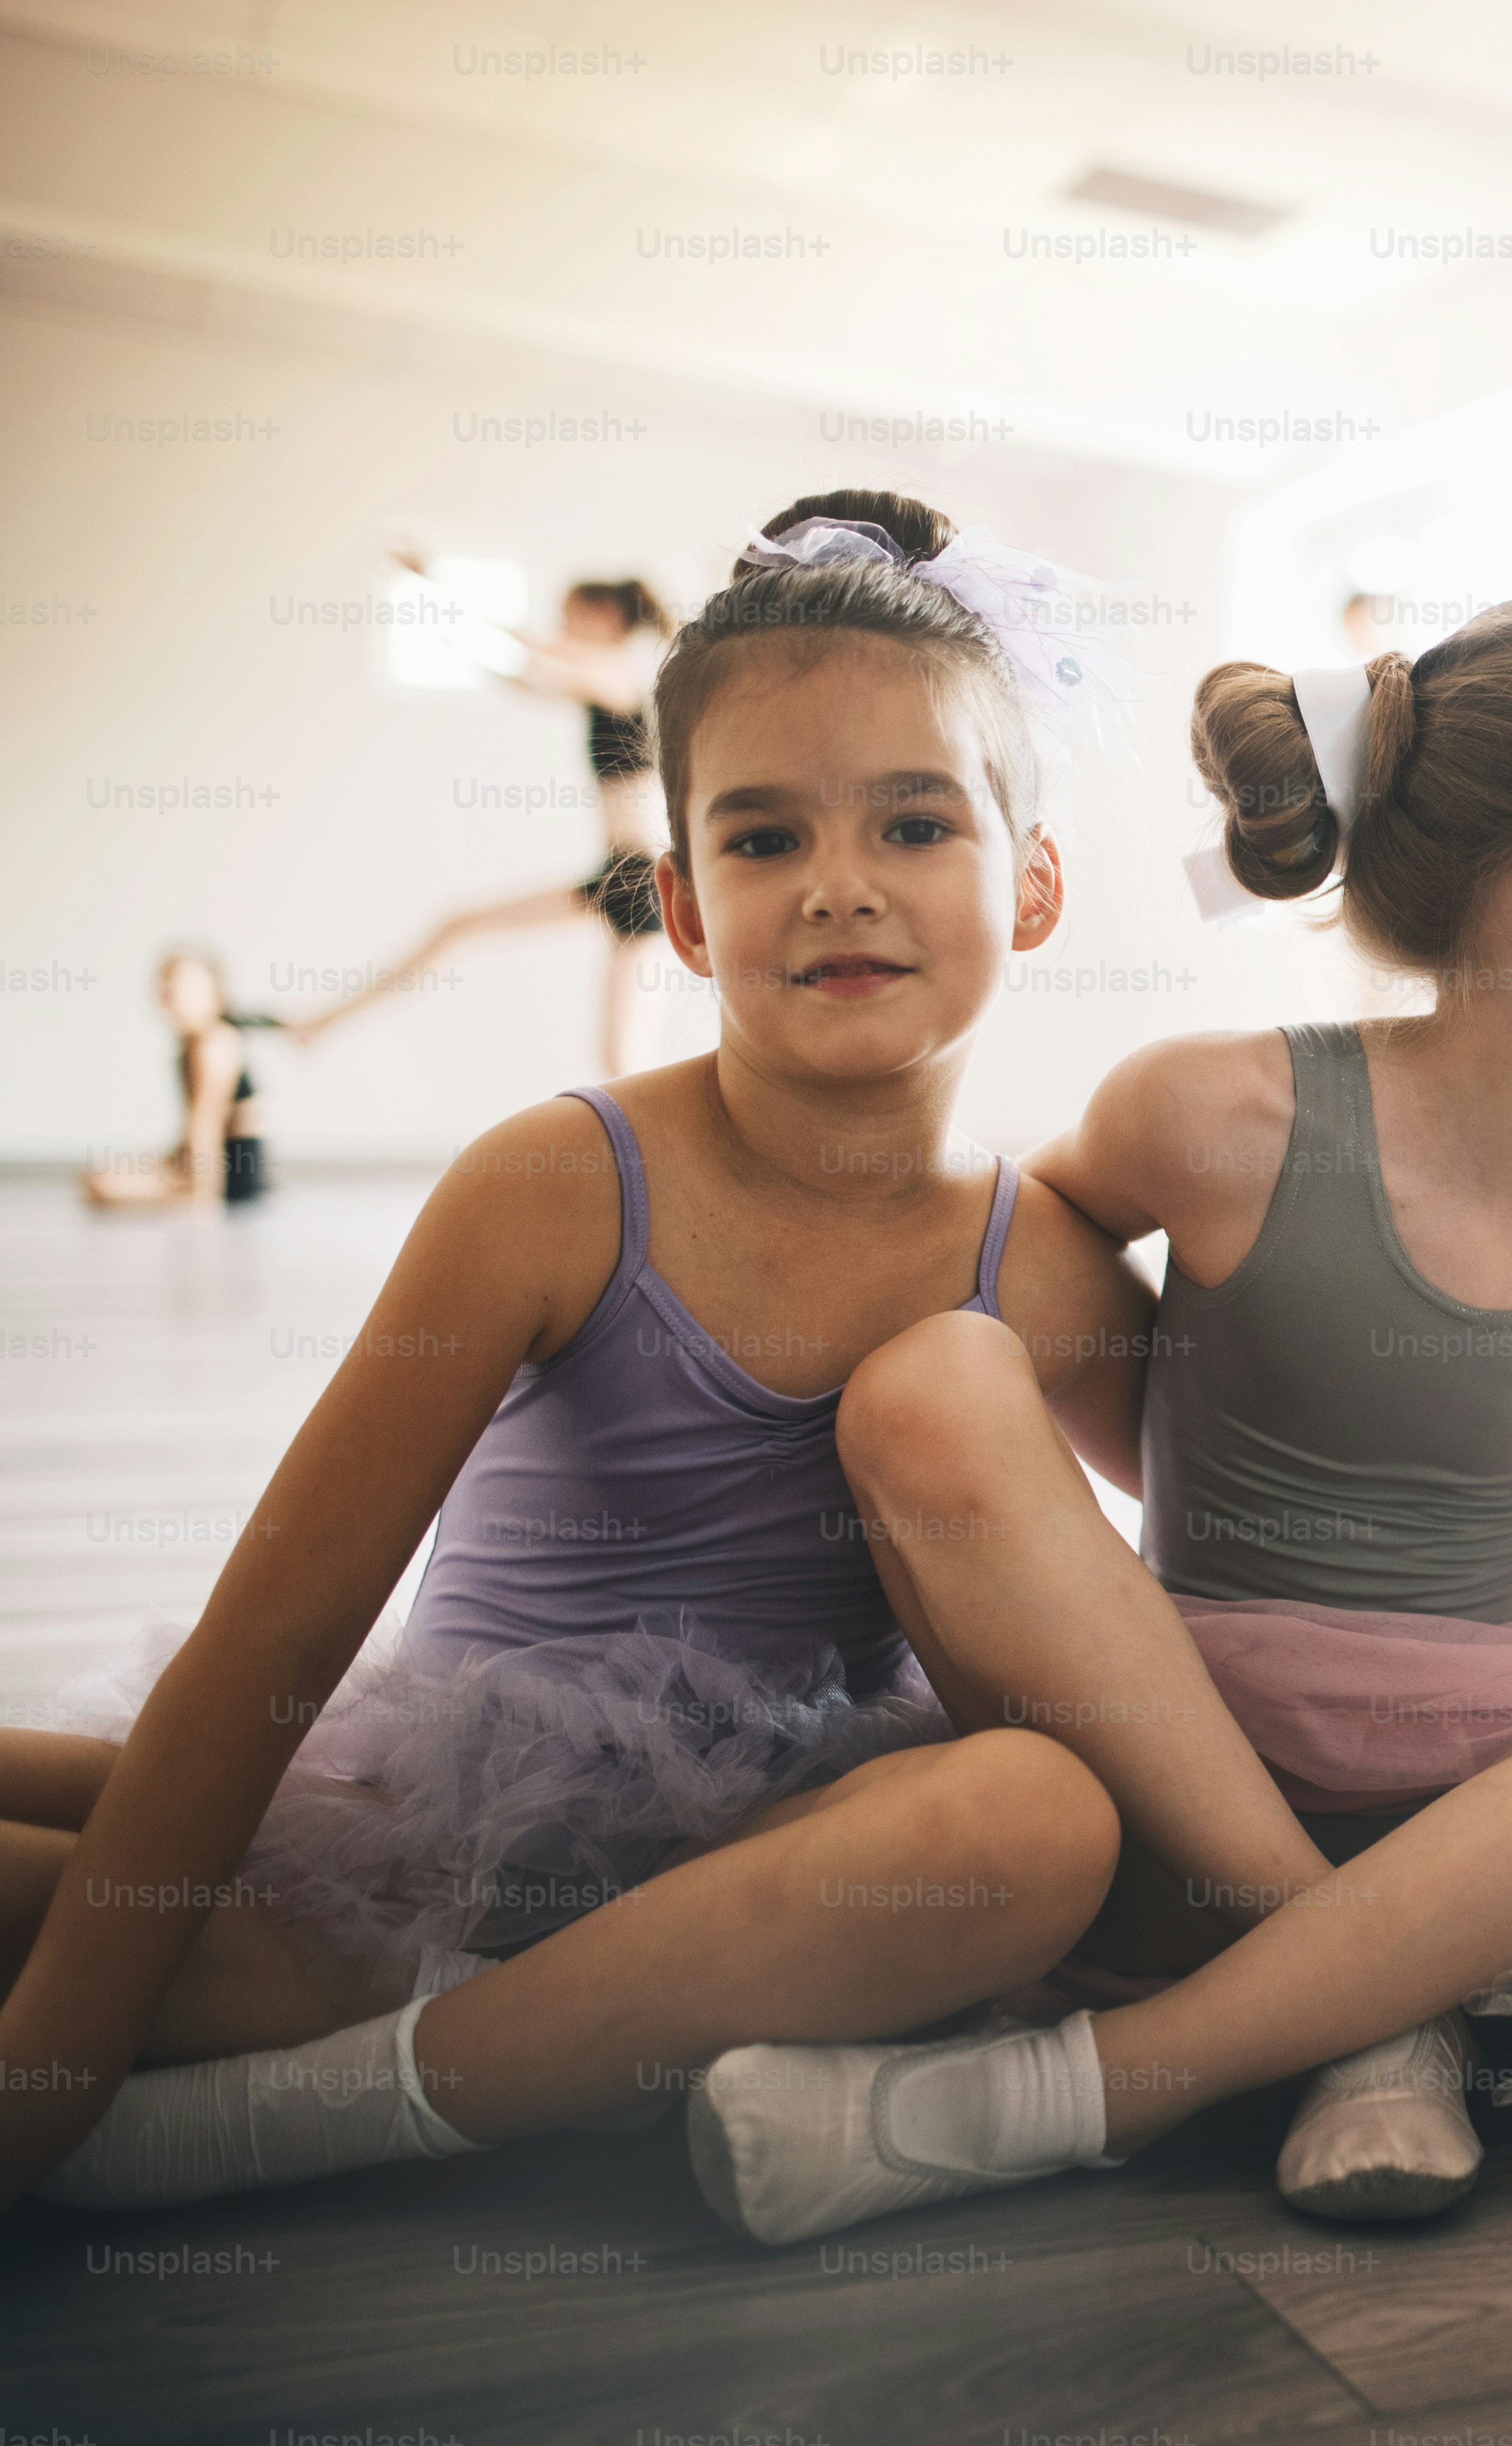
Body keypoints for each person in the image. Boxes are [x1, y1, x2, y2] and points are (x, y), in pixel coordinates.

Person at [0, 489, 1149, 2213]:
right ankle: (540, 2041)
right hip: (429, 1839)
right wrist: (52, 2076)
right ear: (681, 912)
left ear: (1035, 882)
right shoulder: (555, 1184)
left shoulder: (1037, 1253)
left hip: (773, 1858)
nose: (839, 887)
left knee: (1034, 1823)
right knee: (142, 1864)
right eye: (763, 843)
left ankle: (367, 2080)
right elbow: (274, 1635)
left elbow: (1243, 1540)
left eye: (914, 823)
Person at [675, 590, 1512, 2246]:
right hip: (1179, 1796)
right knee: (930, 1375)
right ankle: (1360, 2011)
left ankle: (1095, 2089)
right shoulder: (1216, 1117)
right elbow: (1041, 1347)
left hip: (1481, 1855)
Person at [325, 561, 681, 1077]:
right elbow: (523, 677)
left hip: (639, 884)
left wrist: (436, 584)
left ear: (603, 619)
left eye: (568, 616)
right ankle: (320, 1028)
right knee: (459, 926)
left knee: (621, 1058)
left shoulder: (610, 671)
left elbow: (535, 653)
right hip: (614, 878)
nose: (560, 627)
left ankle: (679, 1155)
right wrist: (446, 633)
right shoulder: (595, 681)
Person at [79, 948, 280, 1210]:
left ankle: (190, 1191)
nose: (170, 988)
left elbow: (206, 1124)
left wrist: (202, 1195)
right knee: (99, 1176)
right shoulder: (194, 1043)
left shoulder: (213, 1044)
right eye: (165, 979)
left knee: (101, 1184)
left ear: (215, 993)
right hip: (211, 1168)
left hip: (228, 1179)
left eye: (183, 981)